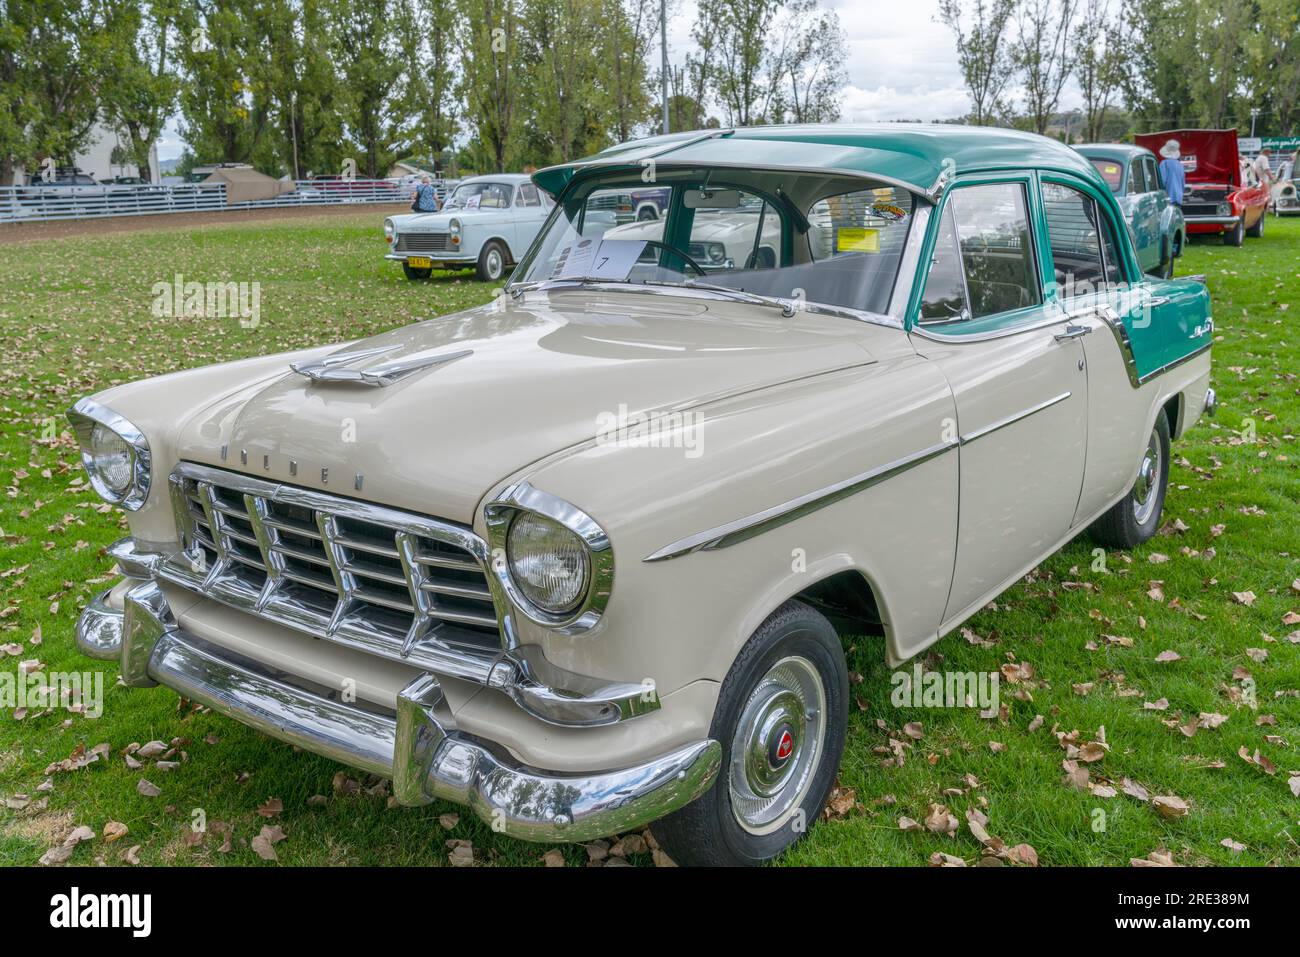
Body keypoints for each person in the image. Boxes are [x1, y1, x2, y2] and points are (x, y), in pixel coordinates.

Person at [1157, 139, 1185, 205]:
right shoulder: (1180, 165)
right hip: (1178, 197)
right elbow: (1182, 184)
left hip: (1168, 198)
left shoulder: (1164, 163)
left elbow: (1162, 182)